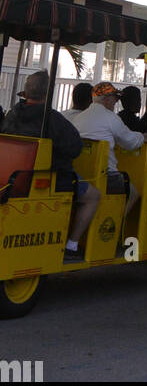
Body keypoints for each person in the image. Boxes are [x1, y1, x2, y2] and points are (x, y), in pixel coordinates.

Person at [1, 69, 100, 261]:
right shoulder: (51, 118)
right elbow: (75, 148)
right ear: (48, 93)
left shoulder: (12, 113)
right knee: (93, 196)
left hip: (9, 175)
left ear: (26, 91)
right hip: (50, 178)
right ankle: (71, 245)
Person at [74, 82, 147, 219]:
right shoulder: (111, 118)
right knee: (133, 193)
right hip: (106, 175)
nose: (116, 102)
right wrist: (142, 137)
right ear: (106, 98)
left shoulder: (80, 117)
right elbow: (130, 142)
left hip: (82, 172)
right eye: (115, 98)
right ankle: (114, 229)